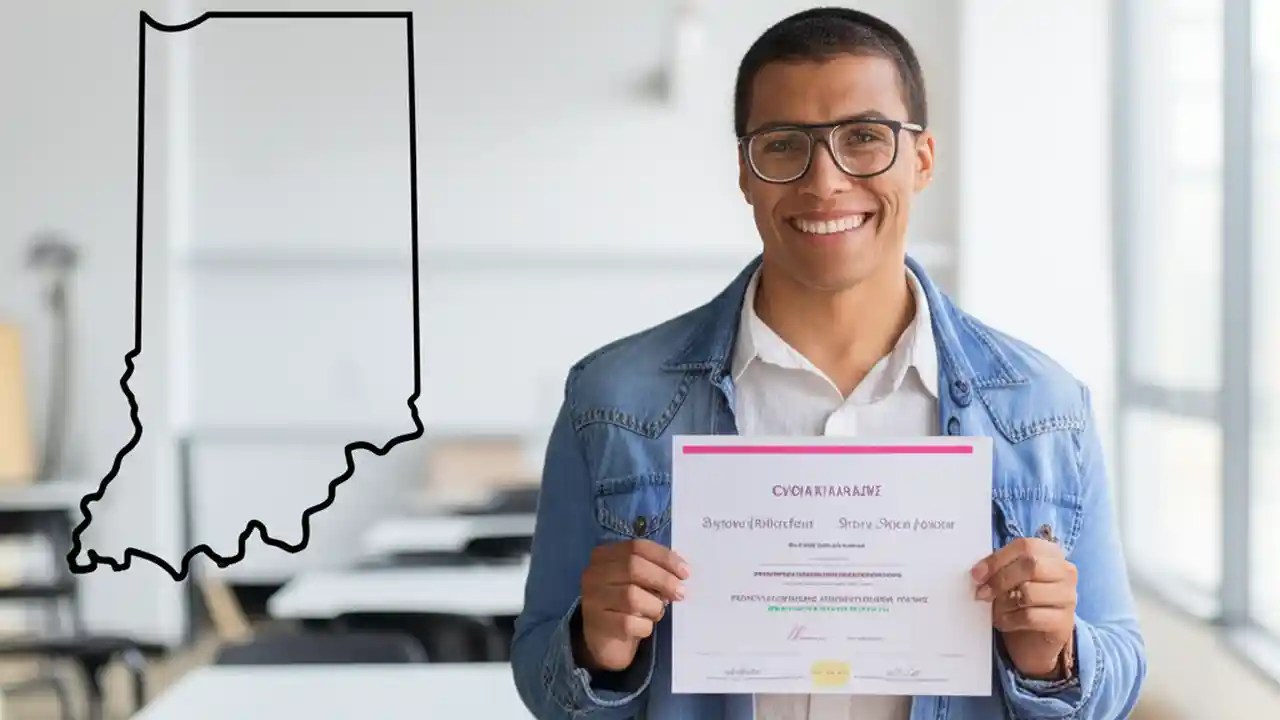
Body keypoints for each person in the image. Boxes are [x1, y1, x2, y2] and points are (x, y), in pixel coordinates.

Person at [510, 6, 1147, 719]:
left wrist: (1051, 653)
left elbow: (1120, 666)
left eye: (865, 138)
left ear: (923, 159)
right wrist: (593, 647)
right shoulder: (612, 399)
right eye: (784, 145)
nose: (824, 182)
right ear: (746, 173)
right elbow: (541, 672)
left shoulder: (1043, 406)